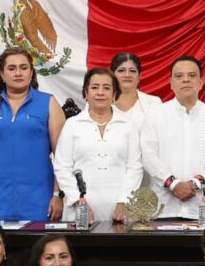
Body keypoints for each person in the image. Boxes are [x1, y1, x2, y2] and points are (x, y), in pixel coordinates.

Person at [0, 46, 66, 221]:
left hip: (40, 195)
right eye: (11, 68)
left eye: (24, 67)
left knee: (38, 246)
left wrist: (57, 195)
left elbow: (63, 155)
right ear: (2, 75)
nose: (18, 73)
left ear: (32, 72)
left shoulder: (48, 103)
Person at [141, 56, 205, 219]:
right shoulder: (155, 114)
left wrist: (195, 183)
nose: (185, 80)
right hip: (163, 209)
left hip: (201, 208)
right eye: (179, 76)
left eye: (191, 75)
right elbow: (149, 156)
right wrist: (174, 184)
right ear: (170, 82)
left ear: (201, 81)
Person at [54, 67, 143, 224]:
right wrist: (77, 201)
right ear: (86, 93)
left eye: (106, 88)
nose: (100, 92)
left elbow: (135, 167)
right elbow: (62, 167)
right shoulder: (72, 124)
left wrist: (124, 201)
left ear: (114, 93)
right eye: (94, 87)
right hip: (80, 209)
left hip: (120, 210)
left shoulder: (128, 125)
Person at [111, 51, 164, 131]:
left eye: (132, 71)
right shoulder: (100, 102)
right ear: (112, 75)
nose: (127, 75)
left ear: (139, 76)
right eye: (121, 71)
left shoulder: (154, 103)